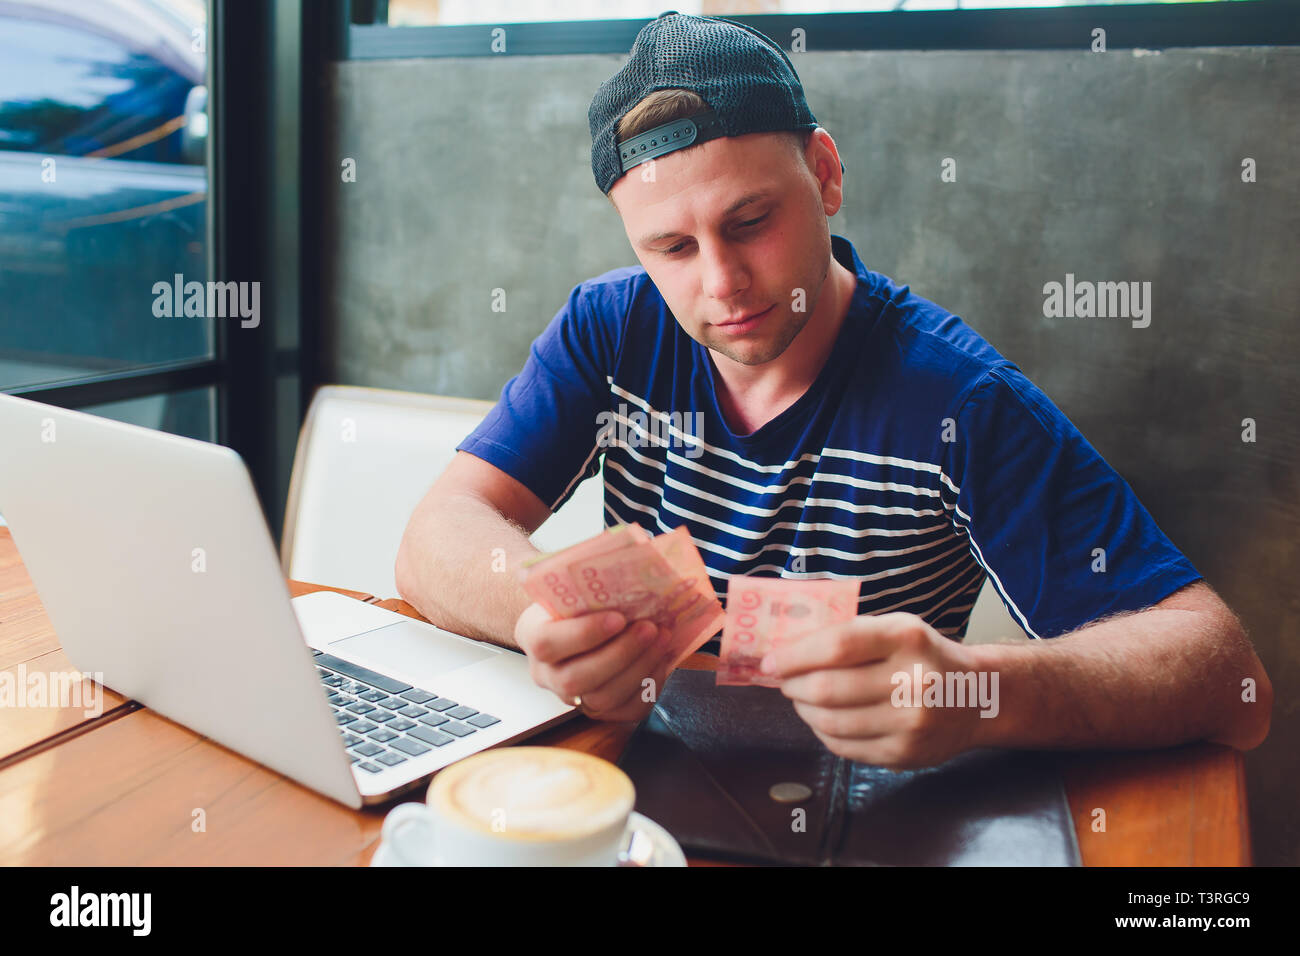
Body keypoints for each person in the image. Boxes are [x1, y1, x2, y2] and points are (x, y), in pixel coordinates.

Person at [395, 12, 1271, 768]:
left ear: (824, 175)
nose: (723, 282)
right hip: (643, 789)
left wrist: (972, 693)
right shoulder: (610, 330)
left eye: (750, 222)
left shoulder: (956, 399)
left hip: (873, 810)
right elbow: (435, 535)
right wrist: (544, 611)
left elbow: (1229, 678)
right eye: (673, 248)